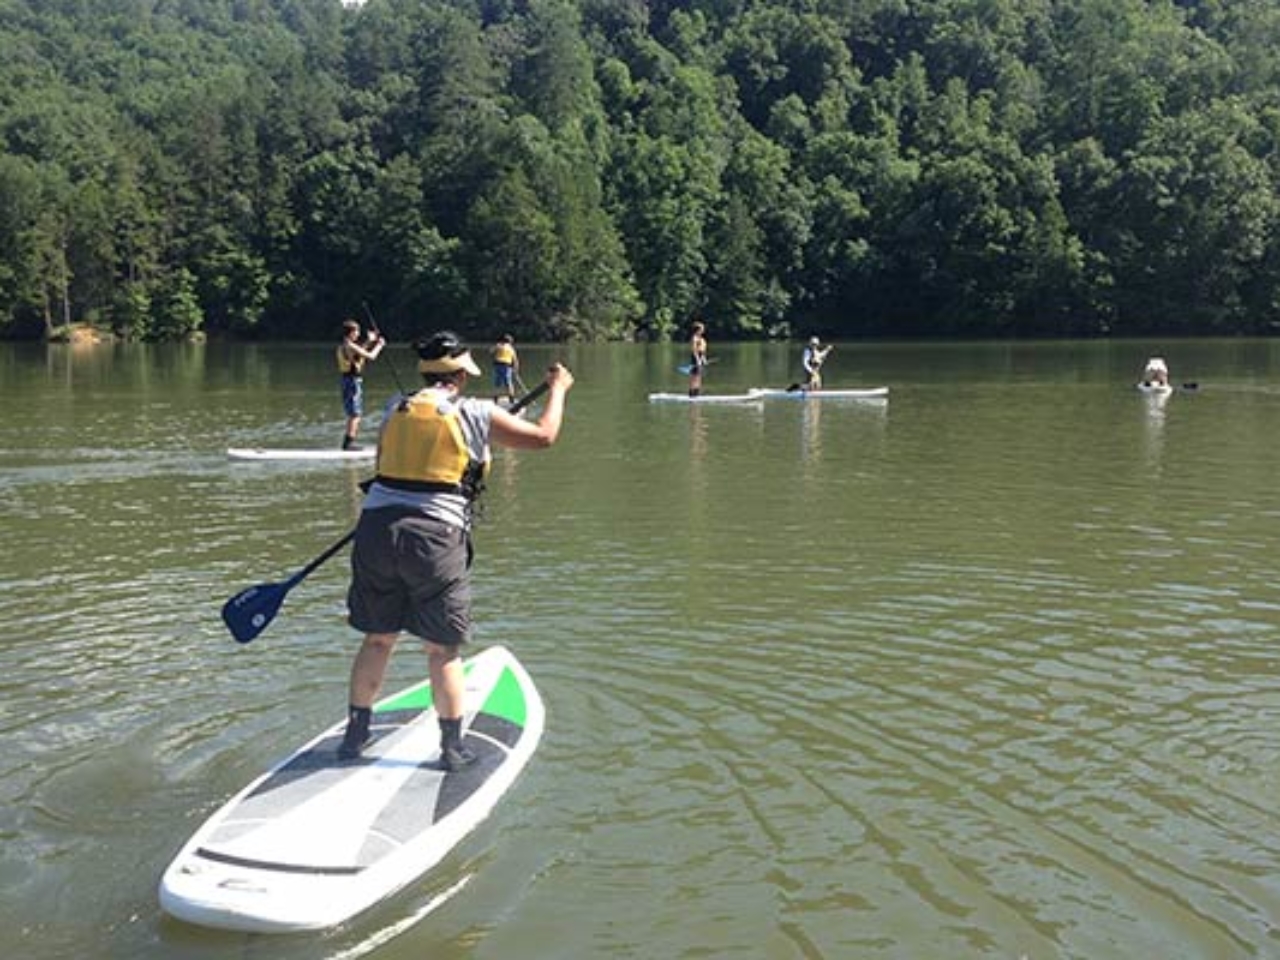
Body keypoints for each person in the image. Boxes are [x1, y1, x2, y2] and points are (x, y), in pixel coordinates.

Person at [338, 331, 574, 770]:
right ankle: (451, 748)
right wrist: (558, 390)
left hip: (374, 530)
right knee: (441, 650)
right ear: (462, 375)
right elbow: (544, 436)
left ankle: (354, 738)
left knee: (378, 638)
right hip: (434, 537)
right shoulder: (478, 412)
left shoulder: (395, 407)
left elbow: (387, 468)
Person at [337, 319, 386, 450]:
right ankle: (348, 444)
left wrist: (370, 341)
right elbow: (371, 356)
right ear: (351, 333)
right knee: (355, 414)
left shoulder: (346, 345)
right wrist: (379, 345)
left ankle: (348, 442)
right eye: (356, 331)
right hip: (351, 381)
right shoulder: (349, 345)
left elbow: (358, 356)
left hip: (349, 380)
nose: (358, 334)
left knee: (354, 413)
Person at [490, 334, 520, 402]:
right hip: (506, 366)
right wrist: (516, 370)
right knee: (508, 383)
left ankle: (496, 399)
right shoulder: (511, 348)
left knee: (497, 383)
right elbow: (515, 360)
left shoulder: (499, 346)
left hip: (499, 366)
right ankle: (511, 399)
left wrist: (496, 347)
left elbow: (491, 351)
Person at [688, 321, 709, 397]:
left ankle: (697, 393)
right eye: (702, 328)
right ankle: (691, 394)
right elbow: (694, 350)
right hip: (695, 358)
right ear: (698, 330)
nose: (703, 329)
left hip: (700, 357)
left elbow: (702, 351)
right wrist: (697, 360)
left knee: (699, 376)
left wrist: (704, 359)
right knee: (694, 376)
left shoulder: (701, 338)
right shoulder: (694, 338)